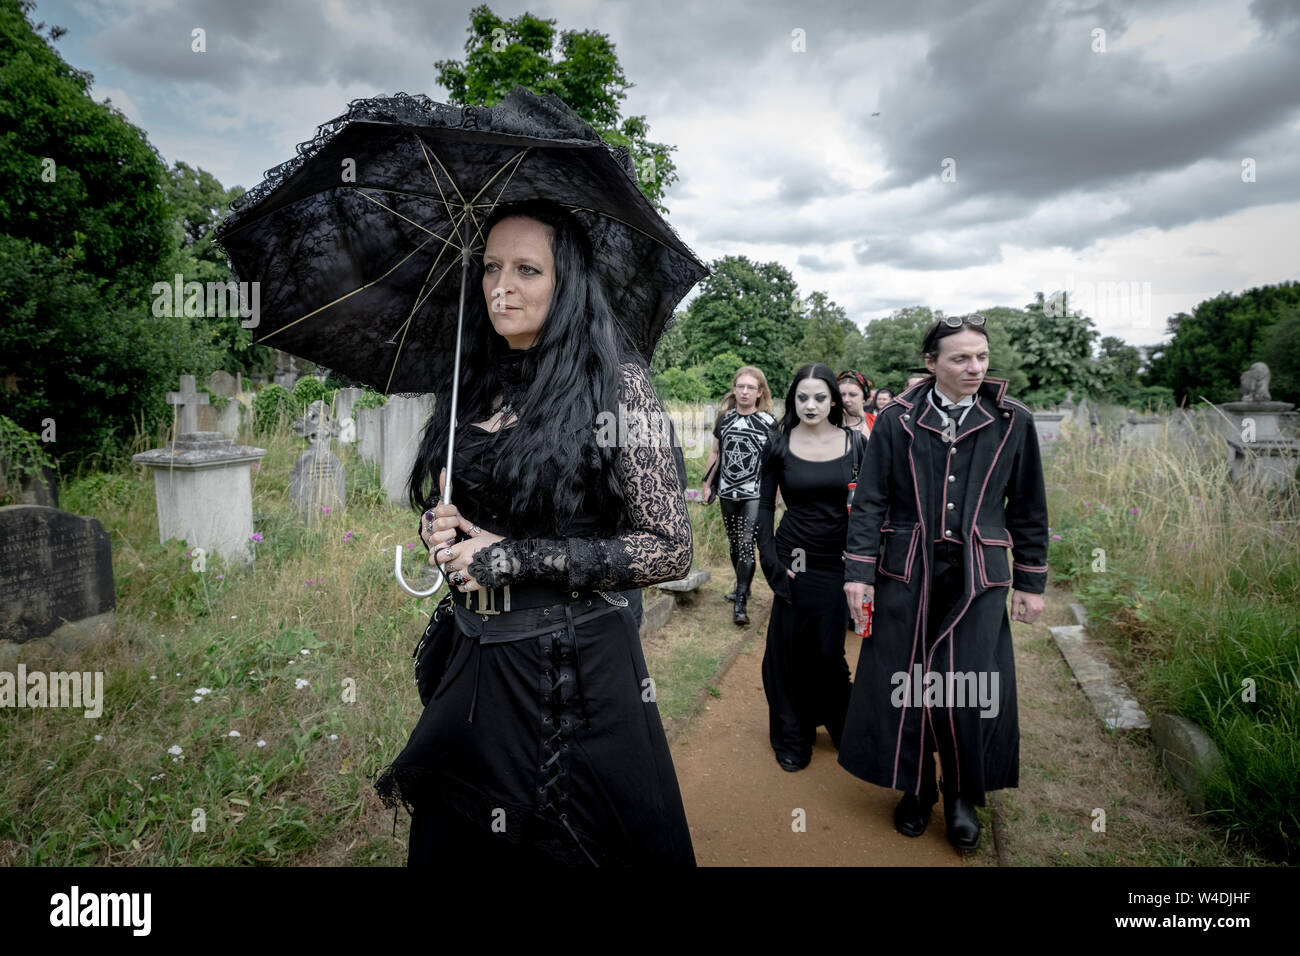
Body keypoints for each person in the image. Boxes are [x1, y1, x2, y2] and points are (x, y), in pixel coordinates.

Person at [373, 199, 696, 867]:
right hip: (474, 659)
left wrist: (516, 559)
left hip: (571, 670)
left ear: (567, 281)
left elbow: (671, 547)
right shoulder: (470, 384)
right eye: (491, 268)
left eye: (526, 269)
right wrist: (443, 527)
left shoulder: (619, 387)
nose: (501, 286)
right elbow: (475, 519)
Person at [839, 314, 1048, 852]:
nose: (974, 367)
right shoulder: (897, 419)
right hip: (907, 569)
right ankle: (916, 787)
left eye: (981, 356)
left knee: (967, 683)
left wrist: (1031, 582)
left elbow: (1027, 509)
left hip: (979, 574)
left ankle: (961, 795)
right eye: (960, 358)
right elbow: (870, 502)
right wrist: (859, 574)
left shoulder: (1012, 420)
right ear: (931, 364)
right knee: (908, 679)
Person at [756, 363, 868, 772]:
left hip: (836, 565)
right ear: (792, 401)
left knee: (827, 653)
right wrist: (770, 561)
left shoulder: (855, 444)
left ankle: (841, 721)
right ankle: (794, 732)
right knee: (788, 653)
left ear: (834, 401)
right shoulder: (778, 443)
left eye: (820, 397)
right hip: (792, 562)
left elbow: (870, 508)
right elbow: (766, 506)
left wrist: (862, 565)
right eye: (802, 397)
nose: (810, 404)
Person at [702, 366, 776, 624]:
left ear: (759, 393)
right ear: (734, 389)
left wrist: (776, 491)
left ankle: (741, 602)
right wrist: (707, 483)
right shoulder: (724, 418)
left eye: (751, 388)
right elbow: (716, 452)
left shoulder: (769, 422)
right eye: (741, 386)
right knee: (734, 544)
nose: (745, 392)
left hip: (754, 493)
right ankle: (741, 586)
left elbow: (776, 460)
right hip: (727, 490)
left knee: (746, 544)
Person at [837, 370, 873, 438]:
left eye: (853, 395)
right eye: (842, 395)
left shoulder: (877, 422)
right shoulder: (830, 423)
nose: (846, 400)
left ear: (864, 398)